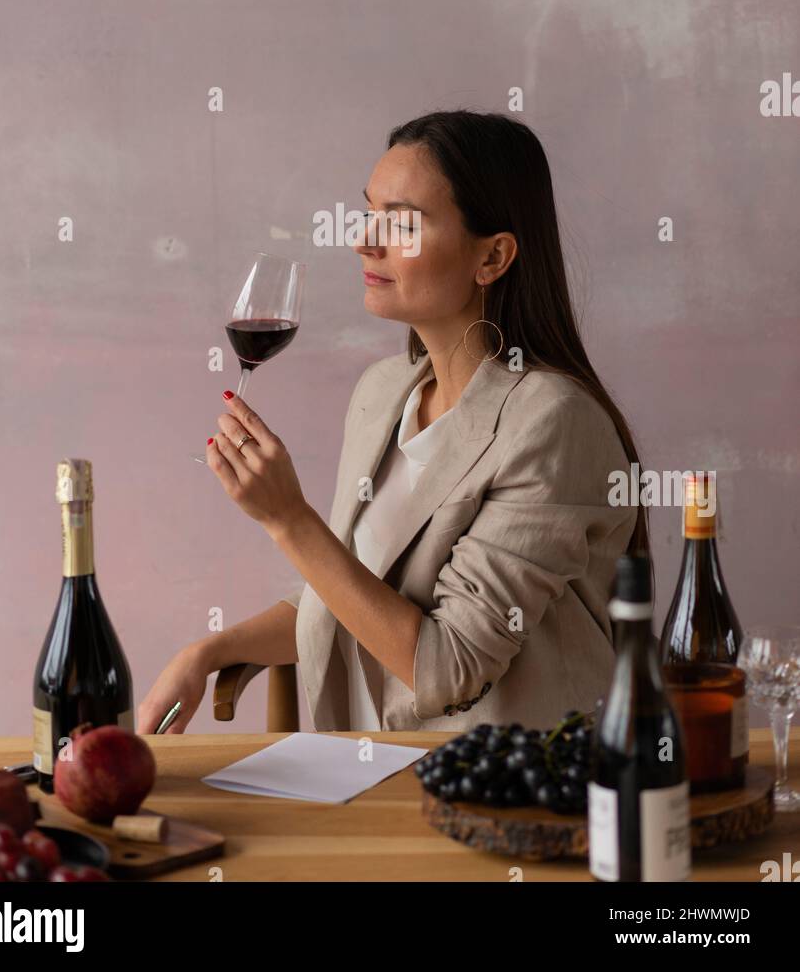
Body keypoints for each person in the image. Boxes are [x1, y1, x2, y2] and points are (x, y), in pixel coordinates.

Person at [137, 109, 645, 734]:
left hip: (510, 793)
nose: (364, 240)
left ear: (493, 257)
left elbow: (450, 665)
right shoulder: (383, 393)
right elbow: (357, 594)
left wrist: (287, 519)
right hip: (368, 772)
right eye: (370, 213)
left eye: (401, 222)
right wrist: (209, 650)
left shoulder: (553, 424)